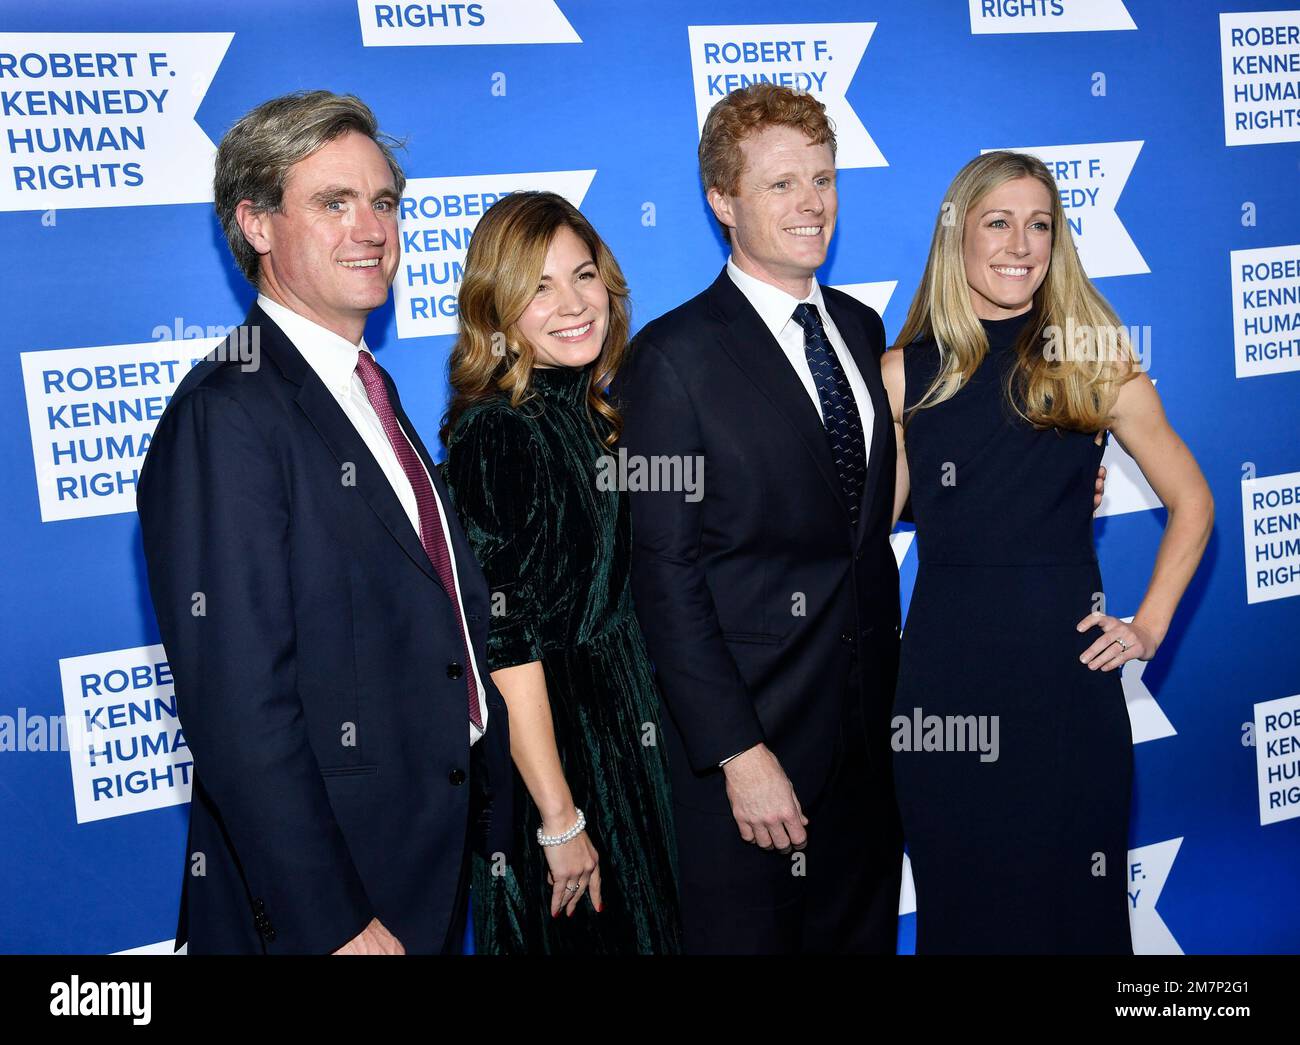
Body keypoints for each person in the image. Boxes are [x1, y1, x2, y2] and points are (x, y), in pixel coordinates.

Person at [137, 90, 513, 955]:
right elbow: (239, 709)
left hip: (422, 861)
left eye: (383, 201)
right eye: (332, 203)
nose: (373, 228)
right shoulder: (227, 411)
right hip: (332, 906)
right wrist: (334, 922)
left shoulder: (365, 389)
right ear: (257, 225)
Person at [882, 150, 1214, 954]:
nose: (1021, 244)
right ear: (957, 232)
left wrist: (1149, 626)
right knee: (962, 917)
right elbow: (873, 519)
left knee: (1077, 916)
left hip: (1065, 693)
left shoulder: (1092, 361)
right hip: (943, 690)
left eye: (1040, 225)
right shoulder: (902, 374)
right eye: (998, 222)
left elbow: (1194, 499)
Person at [609, 83, 903, 954]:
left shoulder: (857, 325)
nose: (811, 203)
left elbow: (850, 500)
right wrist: (739, 753)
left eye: (822, 178)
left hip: (869, 742)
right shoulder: (672, 358)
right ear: (723, 201)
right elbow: (664, 574)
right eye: (781, 184)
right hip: (753, 760)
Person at [439, 191, 681, 954]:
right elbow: (507, 646)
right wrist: (559, 815)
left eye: (583, 276)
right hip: (563, 757)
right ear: (496, 309)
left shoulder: (594, 415)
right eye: (538, 287)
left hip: (627, 734)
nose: (573, 304)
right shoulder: (498, 433)